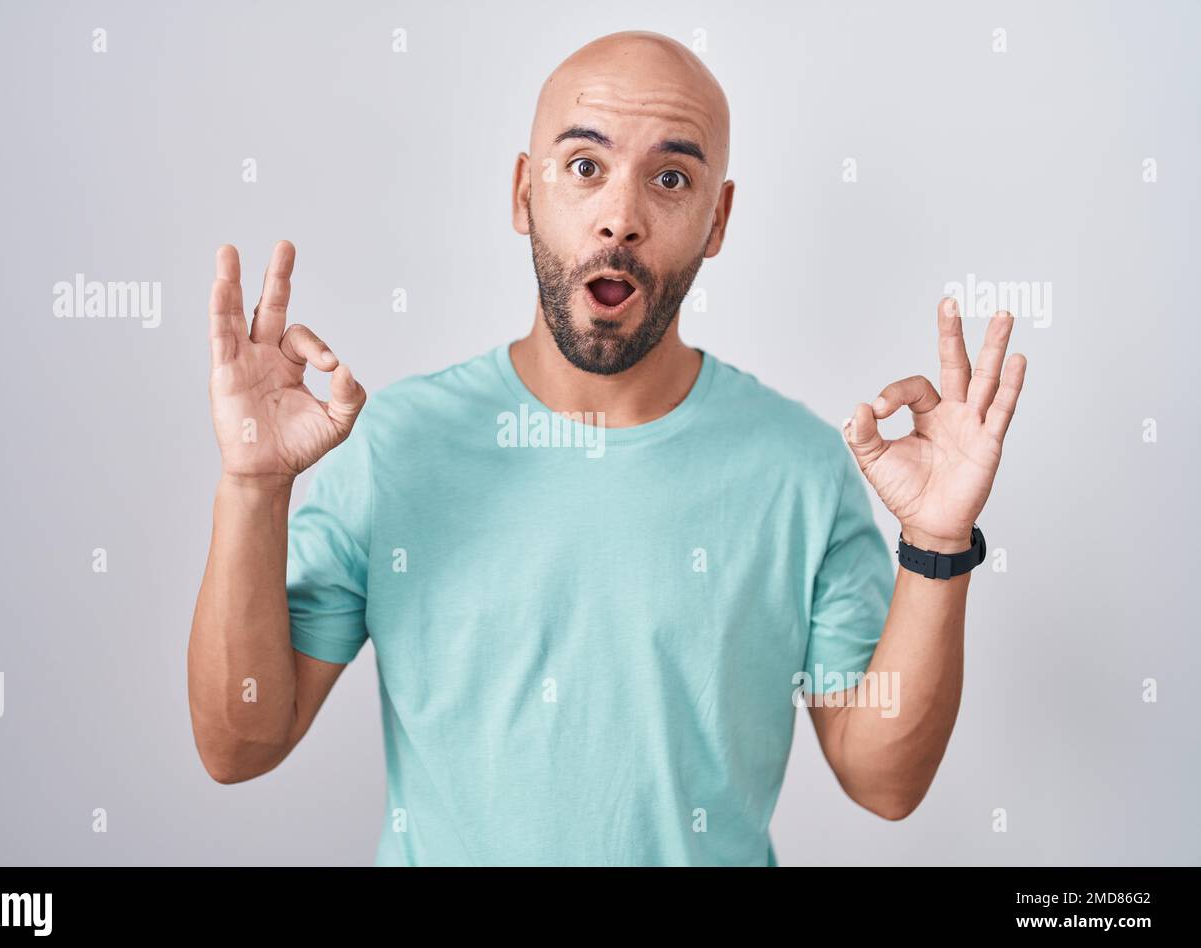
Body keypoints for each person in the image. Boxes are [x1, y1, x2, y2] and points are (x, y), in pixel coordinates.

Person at [187, 30, 1027, 865]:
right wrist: (252, 487)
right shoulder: (396, 447)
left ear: (717, 220)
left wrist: (938, 544)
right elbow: (240, 747)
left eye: (670, 178)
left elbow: (885, 782)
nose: (620, 217)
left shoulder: (802, 469)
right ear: (524, 194)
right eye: (584, 166)